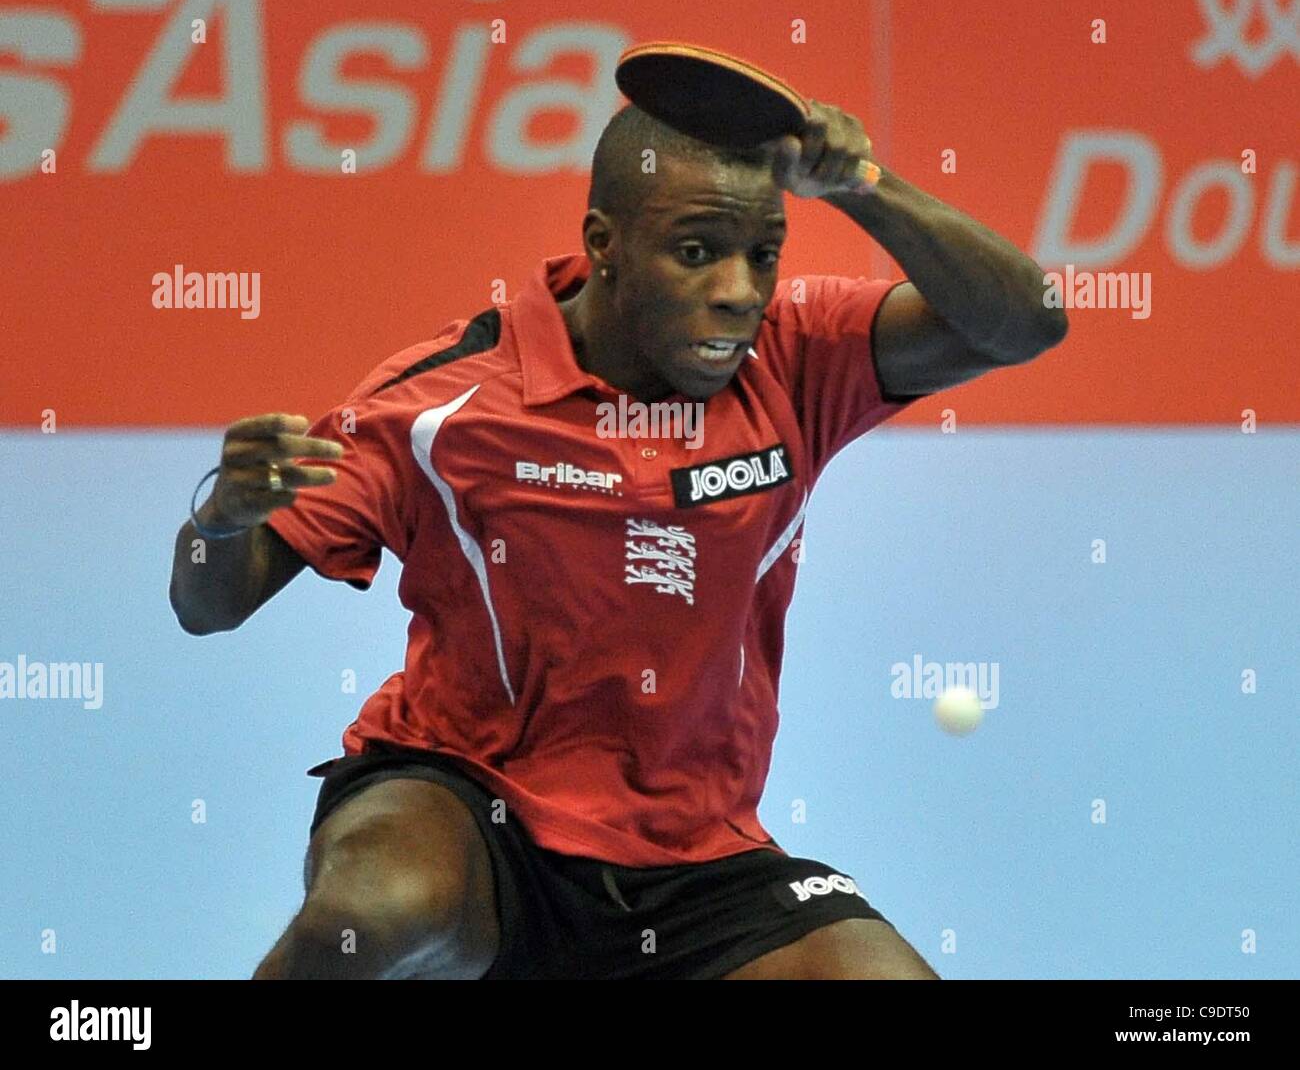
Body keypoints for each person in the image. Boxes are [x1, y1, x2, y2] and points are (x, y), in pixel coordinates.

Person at [169, 100, 1067, 979]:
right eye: (695, 254)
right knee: (372, 918)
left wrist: (863, 186)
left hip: (694, 856)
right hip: (475, 813)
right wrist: (219, 520)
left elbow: (1027, 320)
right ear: (605, 245)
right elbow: (208, 605)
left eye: (762, 256)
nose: (737, 292)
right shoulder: (445, 404)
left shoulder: (797, 358)